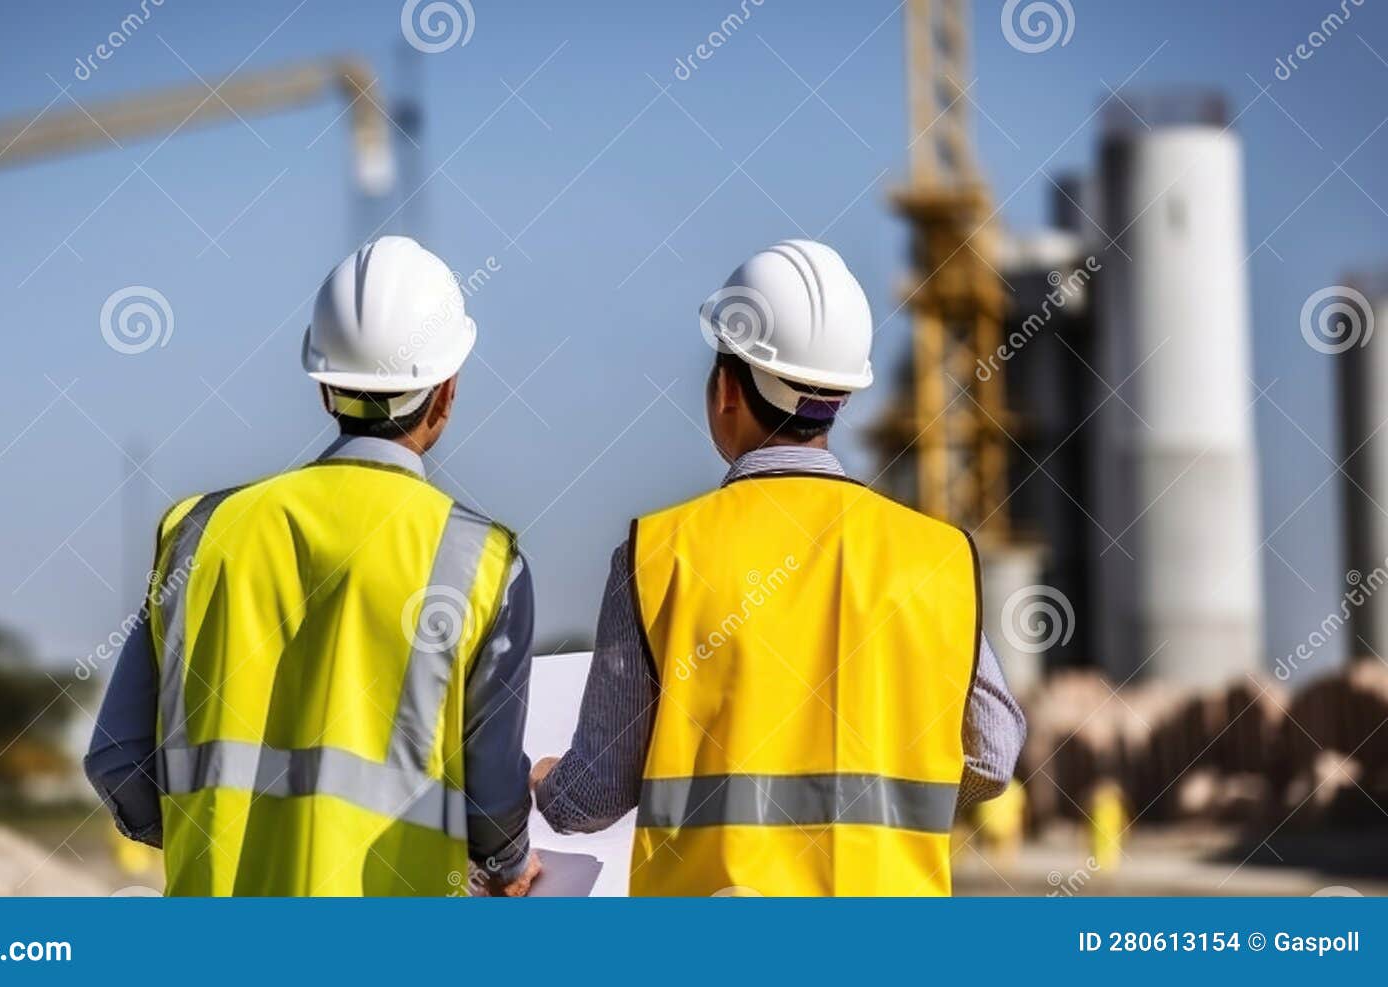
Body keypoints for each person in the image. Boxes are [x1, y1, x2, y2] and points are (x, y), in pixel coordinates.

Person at [531, 238, 1026, 896]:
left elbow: (594, 794)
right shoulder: (936, 558)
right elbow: (993, 752)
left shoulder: (657, 554)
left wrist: (547, 785)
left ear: (726, 390)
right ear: (841, 397)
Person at [85, 235, 541, 896]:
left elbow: (118, 760)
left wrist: (212, 834)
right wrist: (509, 861)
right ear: (445, 392)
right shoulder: (482, 561)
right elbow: (492, 812)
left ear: (325, 387)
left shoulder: (199, 532)